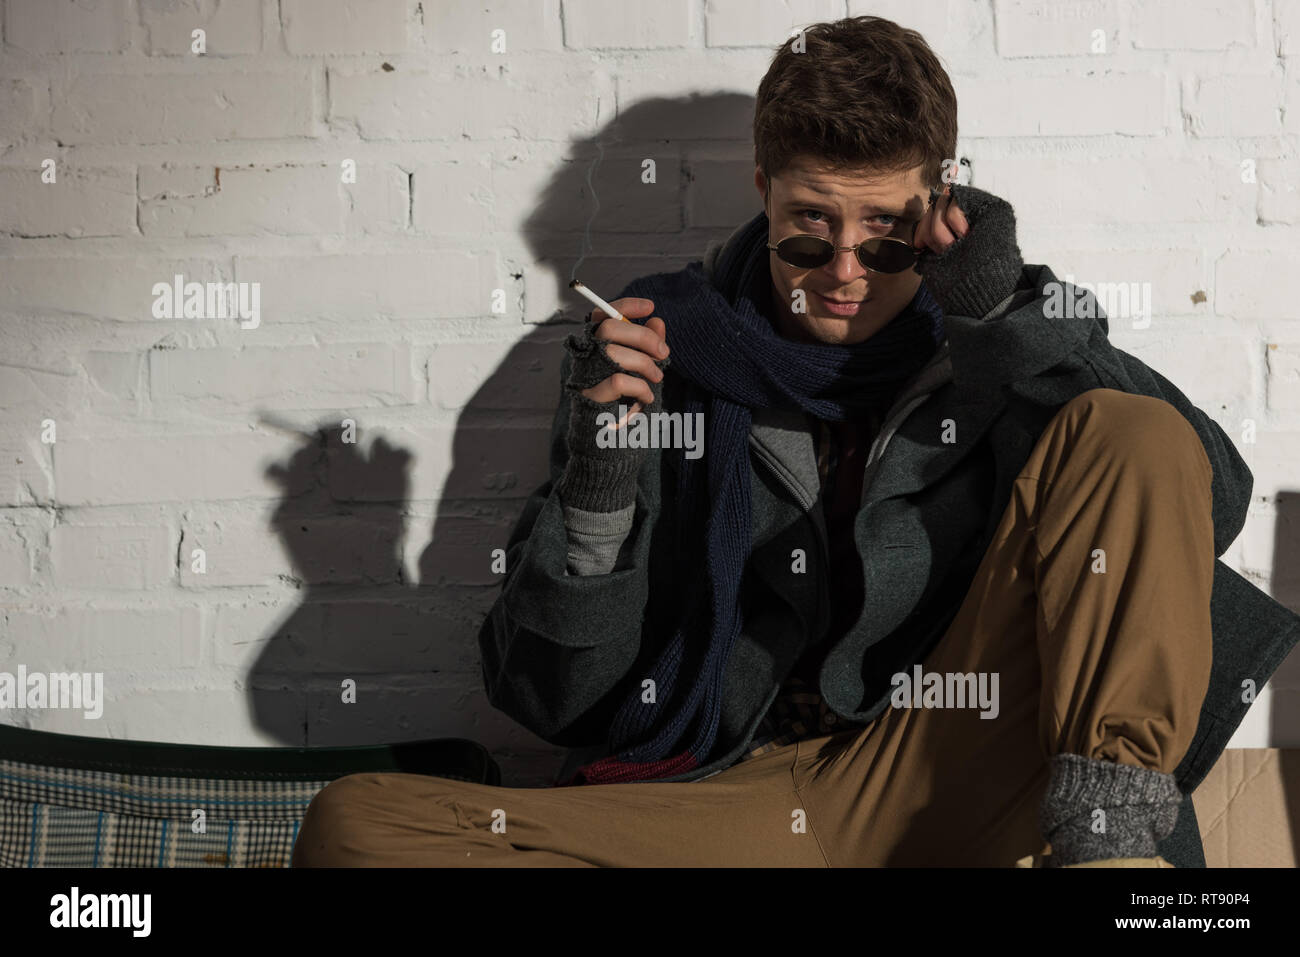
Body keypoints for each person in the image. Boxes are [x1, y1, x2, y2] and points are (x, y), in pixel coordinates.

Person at [292, 15, 1296, 868]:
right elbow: (552, 702)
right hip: (736, 796)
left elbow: (1203, 492)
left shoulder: (999, 338)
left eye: (886, 238)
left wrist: (1002, 316)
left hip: (942, 760)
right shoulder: (654, 357)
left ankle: (1111, 860)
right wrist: (598, 480)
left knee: (1123, 424)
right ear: (763, 185)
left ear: (940, 203)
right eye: (810, 231)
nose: (846, 272)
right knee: (357, 826)